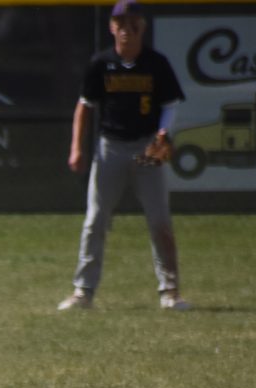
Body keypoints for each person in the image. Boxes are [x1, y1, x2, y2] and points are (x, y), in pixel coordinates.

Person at [58, 1, 191, 312]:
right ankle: (83, 292)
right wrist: (76, 147)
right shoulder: (101, 64)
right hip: (111, 148)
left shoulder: (156, 64)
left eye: (132, 23)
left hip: (146, 148)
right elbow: (84, 107)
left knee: (159, 220)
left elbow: (170, 103)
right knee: (95, 220)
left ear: (142, 27)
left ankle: (170, 292)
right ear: (111, 27)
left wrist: (162, 133)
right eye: (120, 22)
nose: (125, 29)